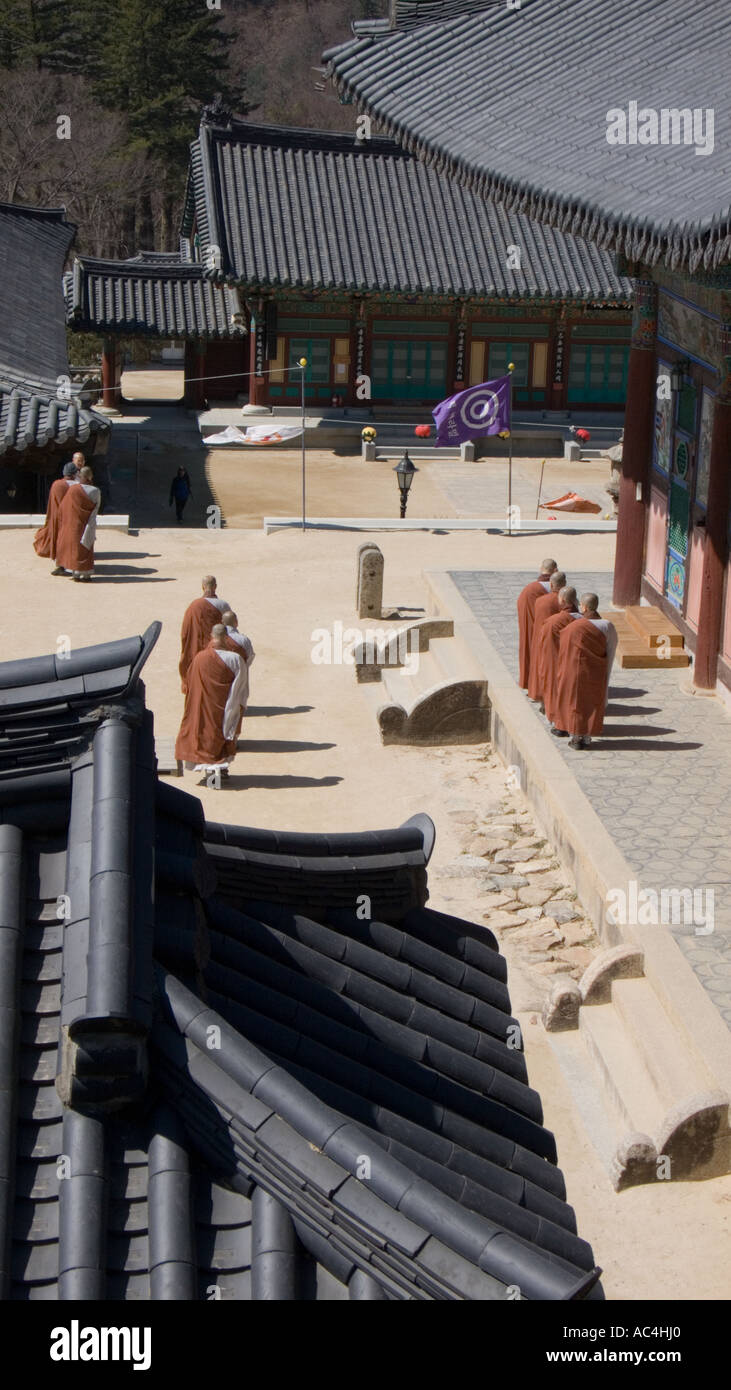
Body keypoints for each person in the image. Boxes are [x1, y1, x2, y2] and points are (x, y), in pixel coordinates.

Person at [175, 624, 248, 778]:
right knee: (222, 734)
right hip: (226, 706)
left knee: (205, 734)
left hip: (203, 706)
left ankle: (212, 771)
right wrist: (239, 704)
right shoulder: (235, 659)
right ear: (226, 638)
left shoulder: (199, 658)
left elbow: (191, 684)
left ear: (211, 636)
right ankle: (219, 770)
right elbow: (241, 686)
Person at [551, 593, 618, 749]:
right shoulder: (608, 625)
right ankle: (586, 736)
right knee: (590, 703)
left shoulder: (573, 627)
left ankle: (576, 736)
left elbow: (564, 650)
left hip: (574, 670)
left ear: (584, 607)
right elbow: (611, 649)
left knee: (575, 703)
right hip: (596, 670)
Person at [179, 576, 232, 692]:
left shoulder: (194, 606)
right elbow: (230, 627)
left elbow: (185, 632)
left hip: (196, 650)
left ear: (202, 587)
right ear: (215, 587)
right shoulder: (223, 605)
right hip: (216, 650)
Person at [540, 586, 581, 730]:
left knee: (556, 691)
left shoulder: (552, 622)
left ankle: (558, 721)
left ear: (562, 601)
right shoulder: (584, 621)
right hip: (577, 664)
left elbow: (546, 646)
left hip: (557, 662)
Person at [33, 457, 81, 571]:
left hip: (58, 518)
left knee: (59, 540)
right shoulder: (78, 486)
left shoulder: (57, 485)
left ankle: (60, 563)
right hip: (74, 519)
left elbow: (52, 505)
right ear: (75, 473)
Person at [55, 464, 100, 582]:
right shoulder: (96, 491)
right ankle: (86, 575)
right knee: (86, 547)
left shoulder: (74, 489)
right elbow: (95, 509)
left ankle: (76, 573)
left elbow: (64, 507)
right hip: (88, 522)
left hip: (75, 523)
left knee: (76, 548)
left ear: (83, 477)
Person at [517, 559, 558, 689]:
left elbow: (522, 608)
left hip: (531, 628)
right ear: (555, 570)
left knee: (529, 648)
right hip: (551, 630)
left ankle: (528, 680)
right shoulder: (560, 592)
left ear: (541, 569)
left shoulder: (529, 590)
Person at [527, 570, 566, 703]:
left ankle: (536, 692)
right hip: (558, 641)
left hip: (541, 636)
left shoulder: (540, 601)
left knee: (539, 663)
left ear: (551, 584)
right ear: (564, 584)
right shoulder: (565, 603)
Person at [220, 609, 255, 736]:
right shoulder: (244, 640)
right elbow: (250, 657)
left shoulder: (217, 639)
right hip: (240, 680)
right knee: (236, 708)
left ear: (222, 623)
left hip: (221, 681)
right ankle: (233, 740)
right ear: (236, 623)